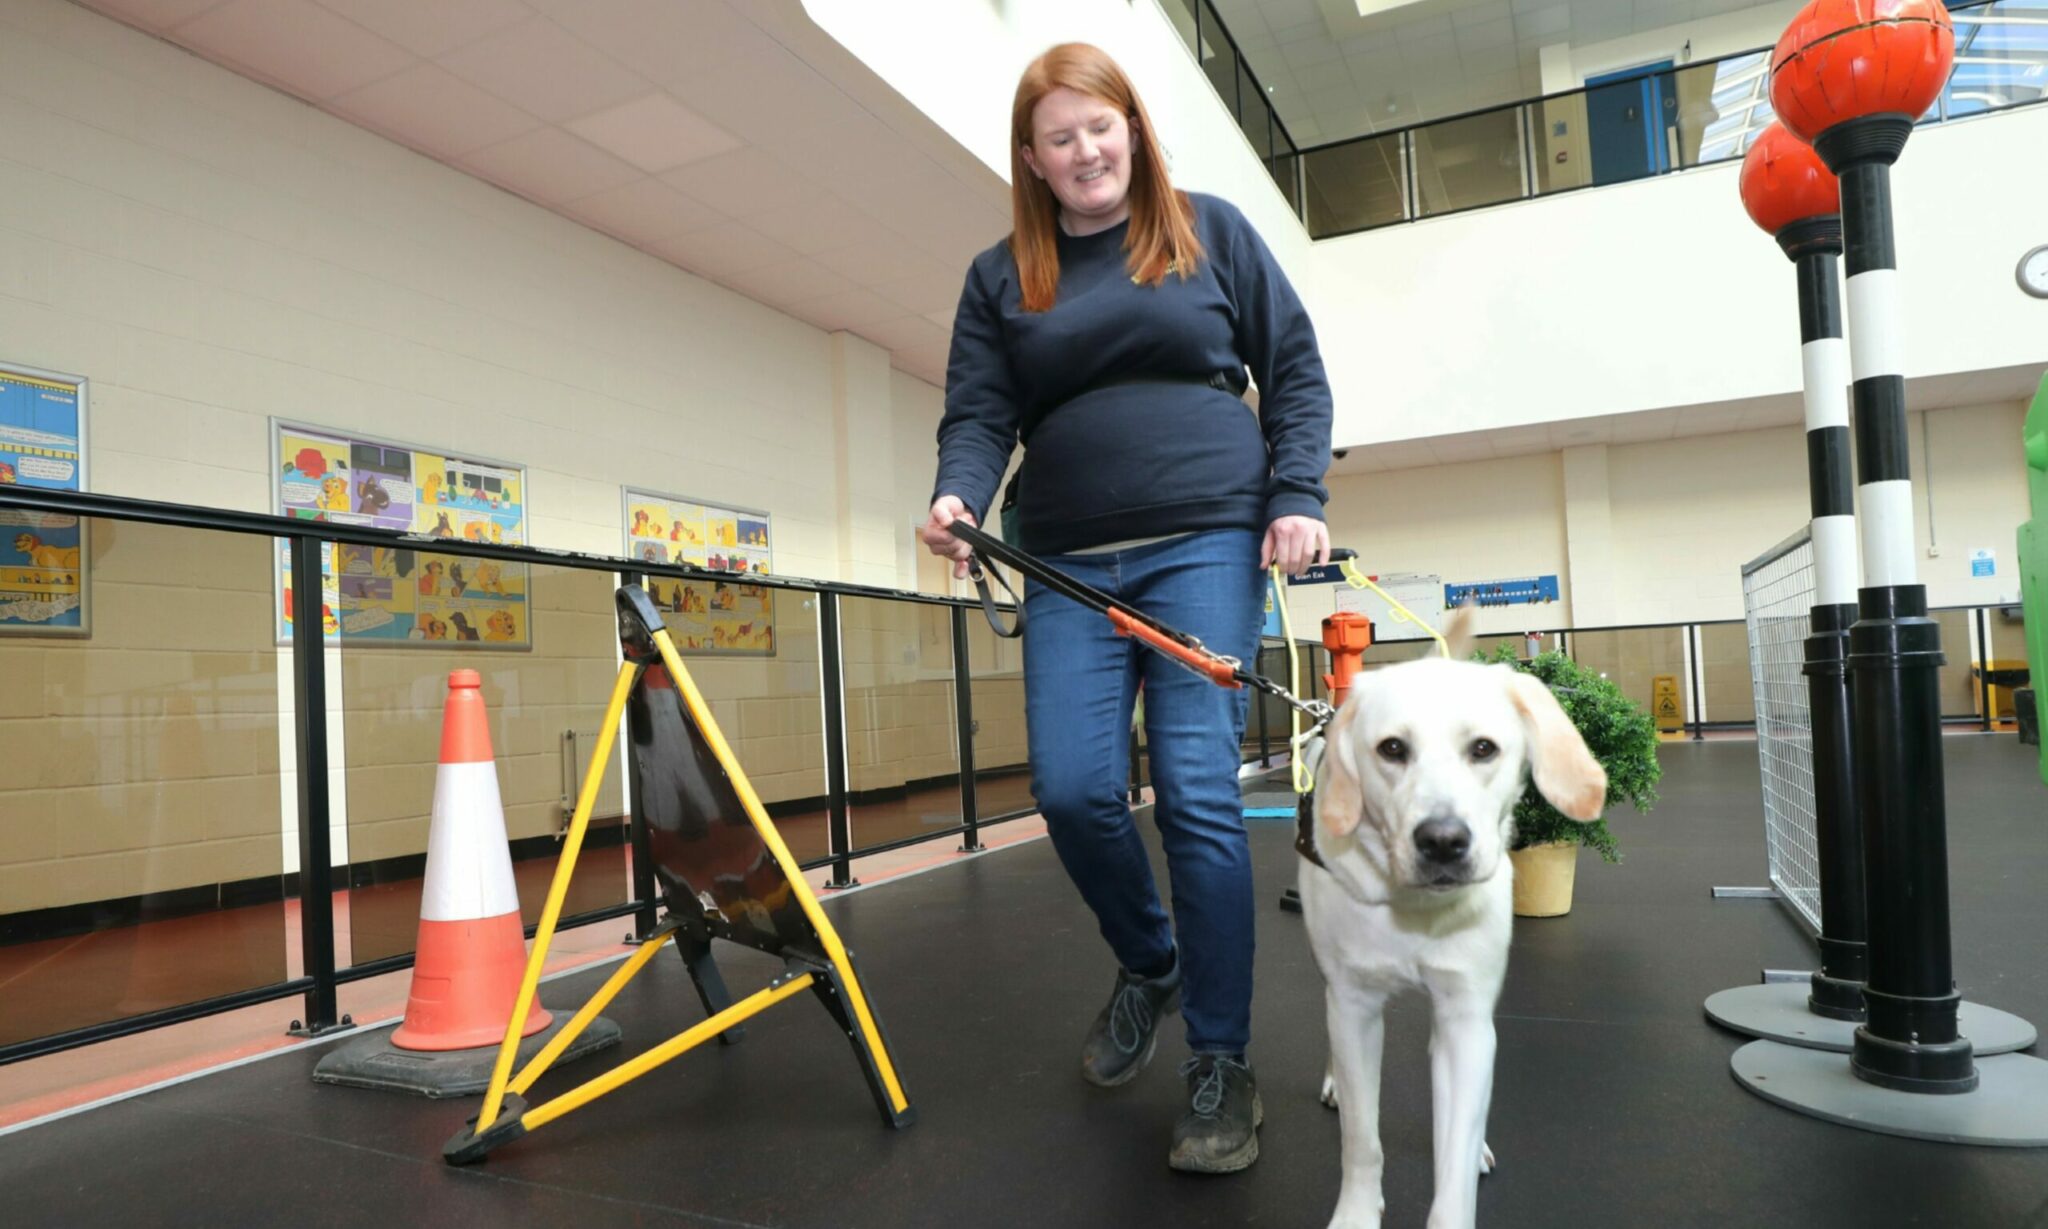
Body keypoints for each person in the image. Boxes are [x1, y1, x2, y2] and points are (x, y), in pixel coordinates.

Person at [919, 43, 1334, 1174]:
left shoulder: (1208, 231)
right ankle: (1148, 959)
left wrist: (1295, 494)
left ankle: (1218, 1056)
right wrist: (957, 489)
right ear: (1032, 161)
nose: (1084, 150)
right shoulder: (1002, 273)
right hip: (1064, 559)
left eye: (1098, 128)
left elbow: (1291, 369)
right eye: (1059, 138)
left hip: (1204, 538)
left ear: (1132, 131)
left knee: (1196, 789)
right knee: (1070, 788)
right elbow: (978, 410)